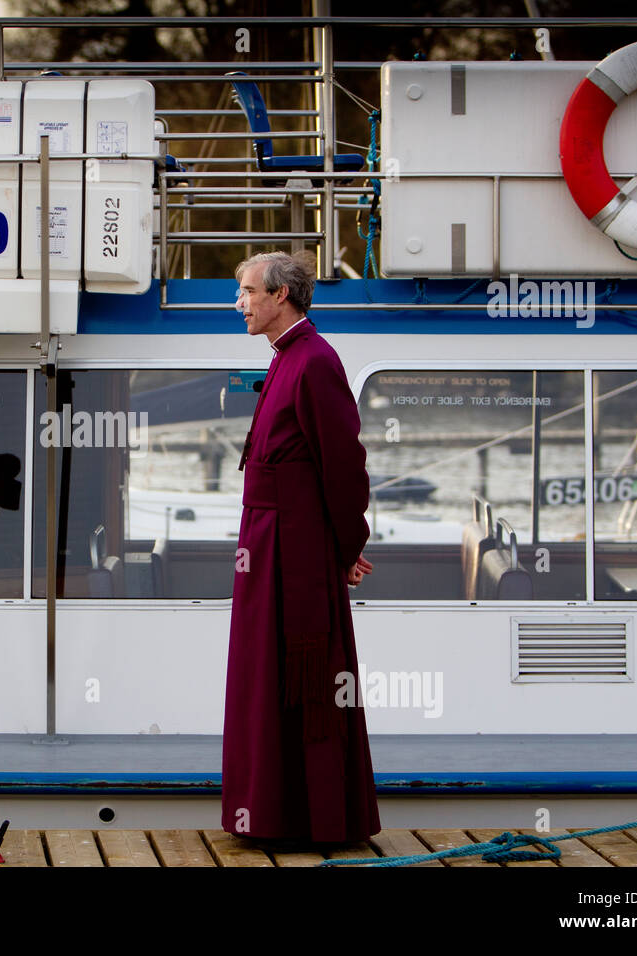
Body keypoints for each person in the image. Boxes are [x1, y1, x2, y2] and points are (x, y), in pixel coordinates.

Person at [222, 251, 379, 850]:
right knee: (264, 678)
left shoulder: (314, 362)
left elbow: (344, 468)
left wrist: (344, 546)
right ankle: (274, 813)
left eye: (247, 292)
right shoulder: (290, 358)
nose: (240, 303)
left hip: (295, 554)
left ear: (281, 295)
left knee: (302, 677)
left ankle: (309, 820)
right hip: (272, 547)